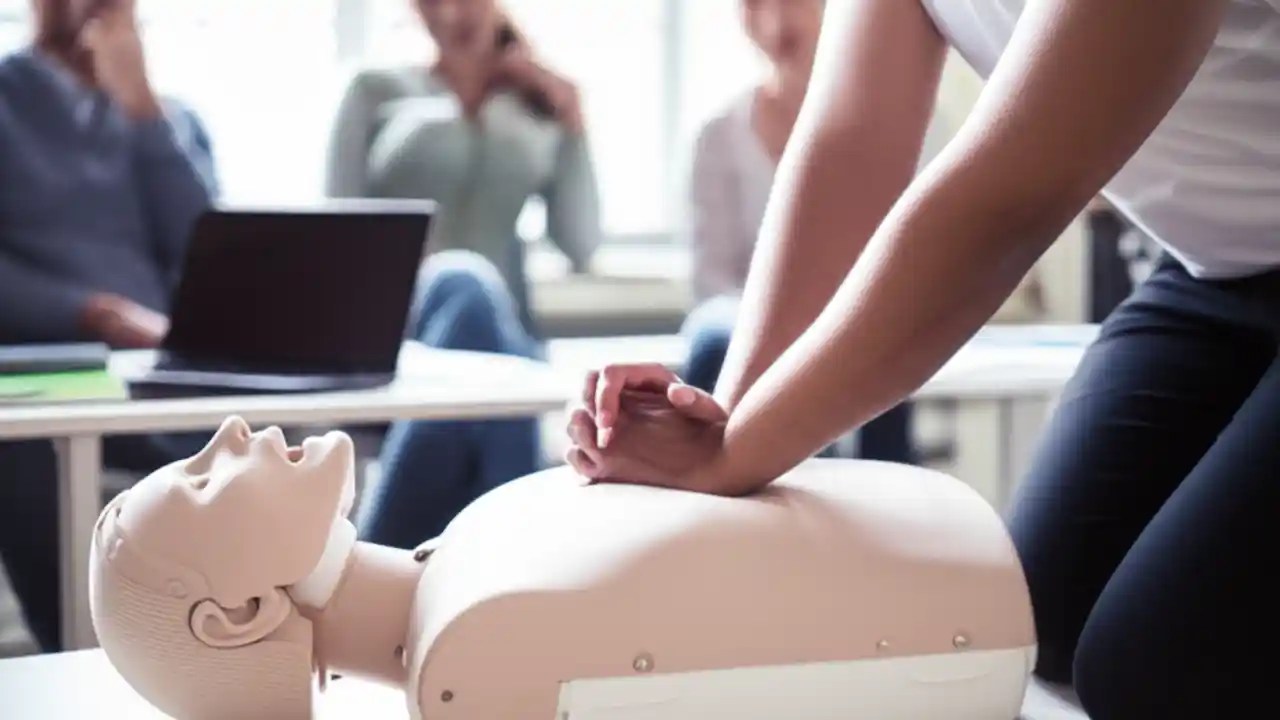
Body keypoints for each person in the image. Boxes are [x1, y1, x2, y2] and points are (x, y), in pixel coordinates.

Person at [565, 0, 1279, 717]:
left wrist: (737, 452)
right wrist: (722, 420)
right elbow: (851, 143)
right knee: (1035, 620)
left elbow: (1013, 196)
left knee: (1162, 666)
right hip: (1214, 271)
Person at [328, 0, 601, 550]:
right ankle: (525, 569)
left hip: (510, 342)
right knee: (461, 284)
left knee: (478, 307)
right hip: (399, 341)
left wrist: (572, 124)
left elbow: (580, 241)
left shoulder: (538, 101)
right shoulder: (376, 89)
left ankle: (377, 567)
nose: (452, 13)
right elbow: (339, 234)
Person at [0, 0, 218, 652]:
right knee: (23, 445)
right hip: (53, 367)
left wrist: (144, 109)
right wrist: (91, 312)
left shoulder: (165, 117)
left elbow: (203, 248)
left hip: (161, 373)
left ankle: (222, 654)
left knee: (259, 437)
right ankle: (78, 656)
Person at [681, 0, 914, 463]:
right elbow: (713, 284)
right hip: (746, 324)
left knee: (883, 334)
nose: (775, 21)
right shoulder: (718, 137)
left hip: (863, 315)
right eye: (754, 3)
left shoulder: (898, 121)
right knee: (719, 339)